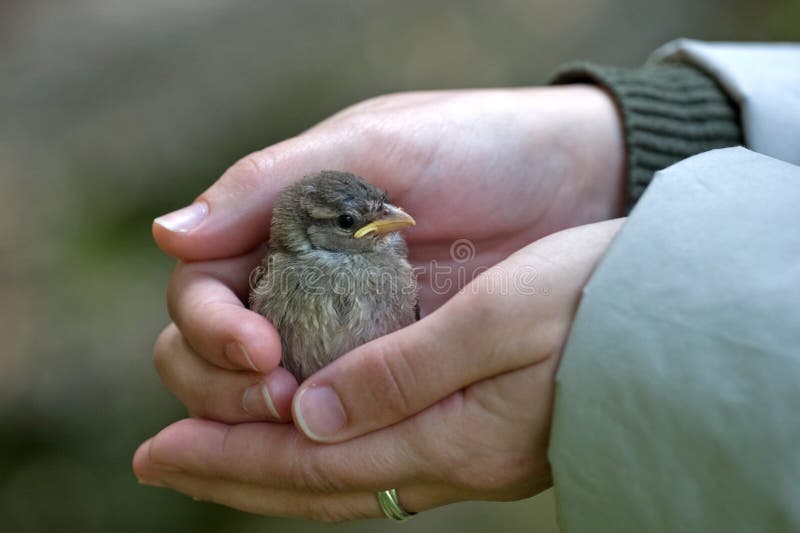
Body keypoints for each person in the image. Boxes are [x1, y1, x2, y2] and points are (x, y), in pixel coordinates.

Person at [132, 39, 800, 529]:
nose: (387, 226)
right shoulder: (276, 274)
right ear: (312, 232)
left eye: (381, 211)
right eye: (350, 222)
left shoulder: (392, 257)